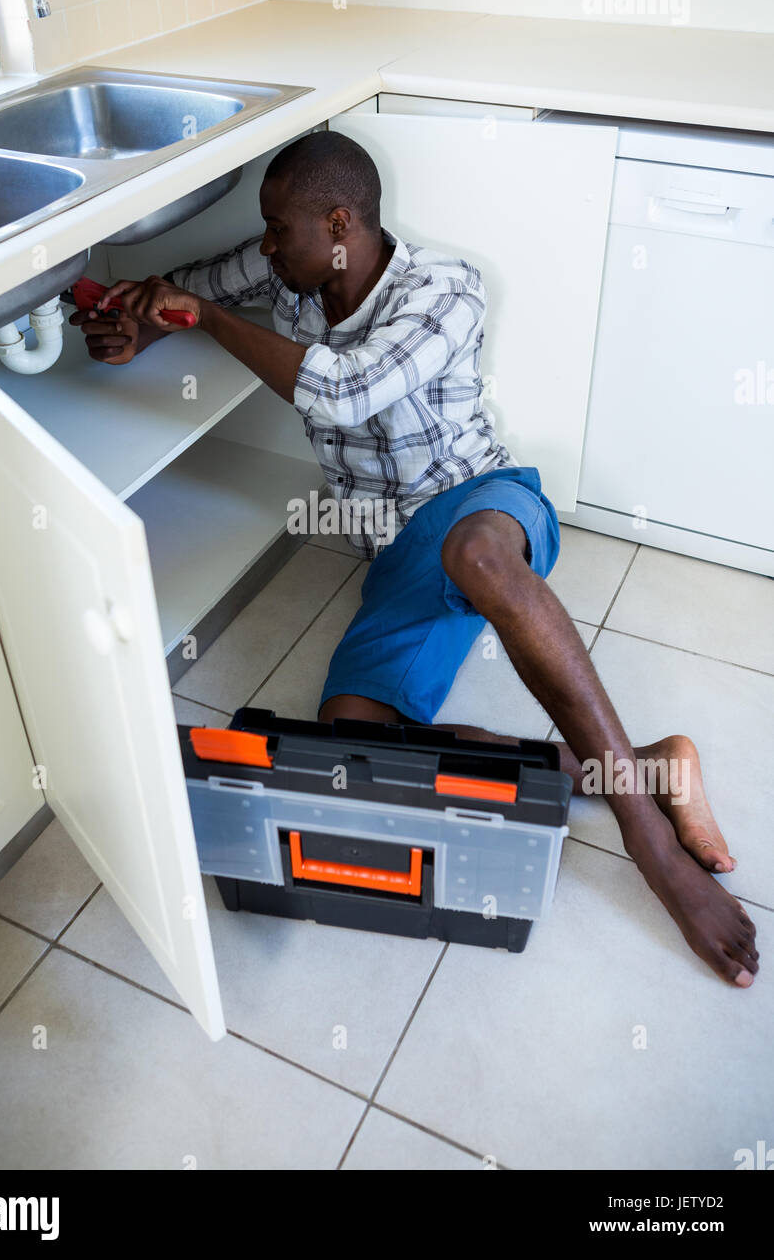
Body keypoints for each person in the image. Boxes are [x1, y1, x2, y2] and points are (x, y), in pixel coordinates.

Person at [71, 130, 759, 989]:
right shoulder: (287, 267)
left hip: (484, 503)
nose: (265, 247)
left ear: (338, 222)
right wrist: (142, 321)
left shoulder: (444, 288)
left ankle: (648, 839)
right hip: (397, 552)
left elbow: (339, 387)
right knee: (359, 747)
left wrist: (205, 321)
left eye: (278, 229)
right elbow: (192, 286)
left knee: (473, 553)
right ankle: (656, 764)